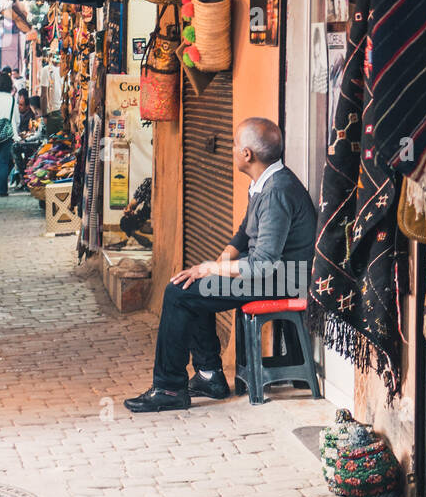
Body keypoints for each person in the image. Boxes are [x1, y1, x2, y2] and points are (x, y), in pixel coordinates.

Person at [124, 118, 318, 413]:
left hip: (283, 279)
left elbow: (263, 264)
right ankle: (209, 375)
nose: (232, 149)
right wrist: (219, 261)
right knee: (191, 286)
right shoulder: (263, 183)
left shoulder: (277, 192)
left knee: (179, 293)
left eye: (235, 144)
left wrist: (210, 269)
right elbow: (244, 232)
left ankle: (169, 387)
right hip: (269, 274)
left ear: (247, 155)